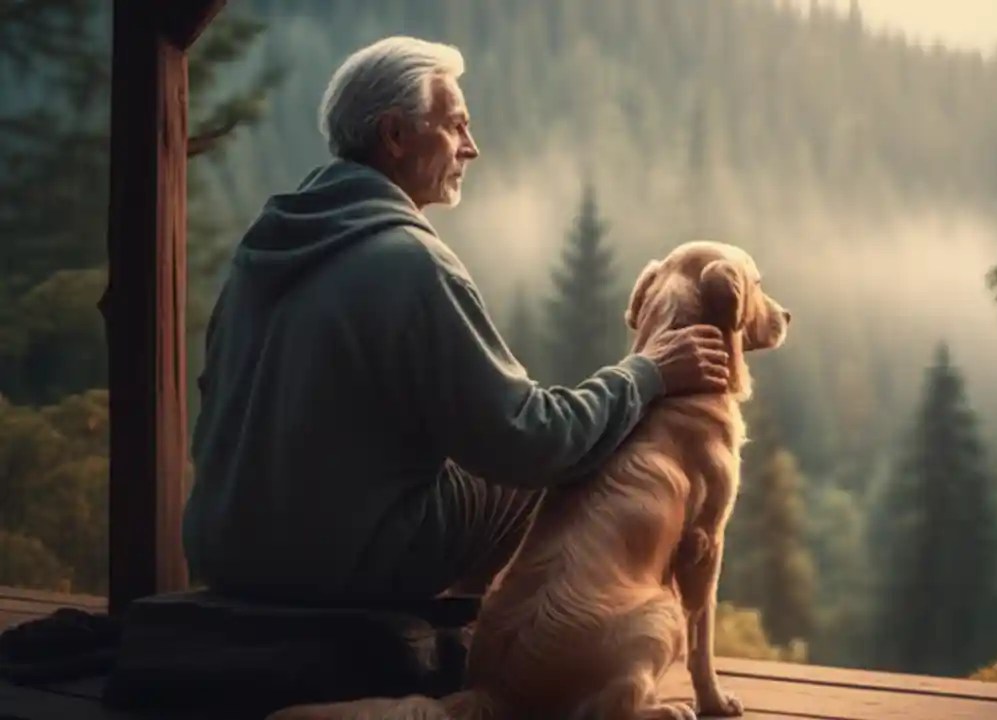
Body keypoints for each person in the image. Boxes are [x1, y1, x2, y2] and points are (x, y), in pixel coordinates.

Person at [181, 37, 730, 606]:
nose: (472, 148)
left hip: (227, 555)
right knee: (533, 472)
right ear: (395, 136)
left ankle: (450, 631)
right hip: (330, 572)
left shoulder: (265, 249)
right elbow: (531, 437)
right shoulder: (411, 263)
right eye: (456, 126)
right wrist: (645, 375)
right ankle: (481, 653)